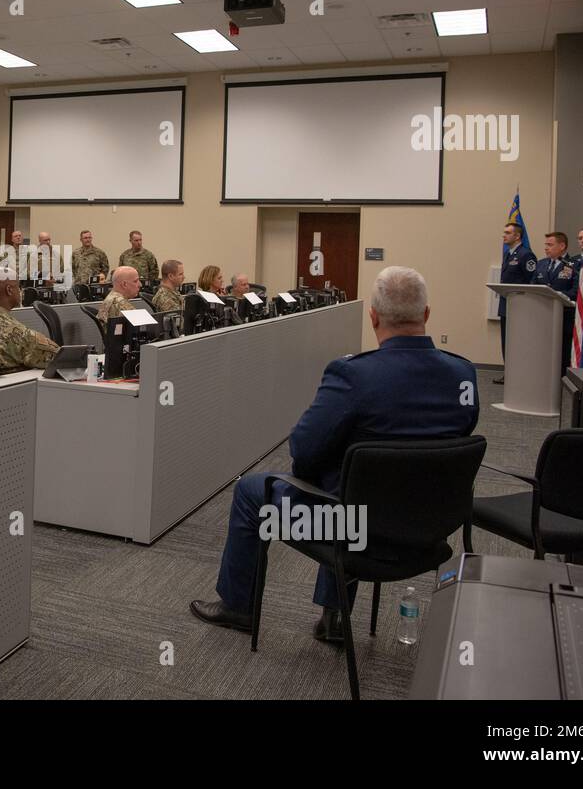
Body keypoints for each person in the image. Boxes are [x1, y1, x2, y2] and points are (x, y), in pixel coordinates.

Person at [190, 266, 479, 640]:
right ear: (426, 315)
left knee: (252, 491)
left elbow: (303, 451)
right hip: (433, 526)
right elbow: (458, 438)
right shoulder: (463, 375)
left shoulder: (354, 376)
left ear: (372, 317)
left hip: (353, 527)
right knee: (353, 483)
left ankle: (238, 607)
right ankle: (334, 617)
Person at [0, 273, 60, 375]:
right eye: (18, 287)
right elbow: (61, 357)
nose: (21, 291)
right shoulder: (18, 333)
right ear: (9, 290)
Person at [532, 231, 579, 375]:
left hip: (564, 316)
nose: (546, 248)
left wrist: (556, 295)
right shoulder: (541, 264)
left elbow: (576, 291)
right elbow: (532, 285)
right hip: (543, 315)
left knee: (562, 353)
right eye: (546, 244)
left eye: (550, 245)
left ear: (562, 246)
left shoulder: (573, 265)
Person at [497, 222, 537, 382]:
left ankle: (518, 374)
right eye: (504, 232)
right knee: (506, 341)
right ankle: (509, 372)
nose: (504, 235)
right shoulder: (508, 254)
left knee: (517, 342)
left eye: (507, 232)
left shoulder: (525, 255)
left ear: (517, 236)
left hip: (519, 306)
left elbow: (532, 281)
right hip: (506, 304)